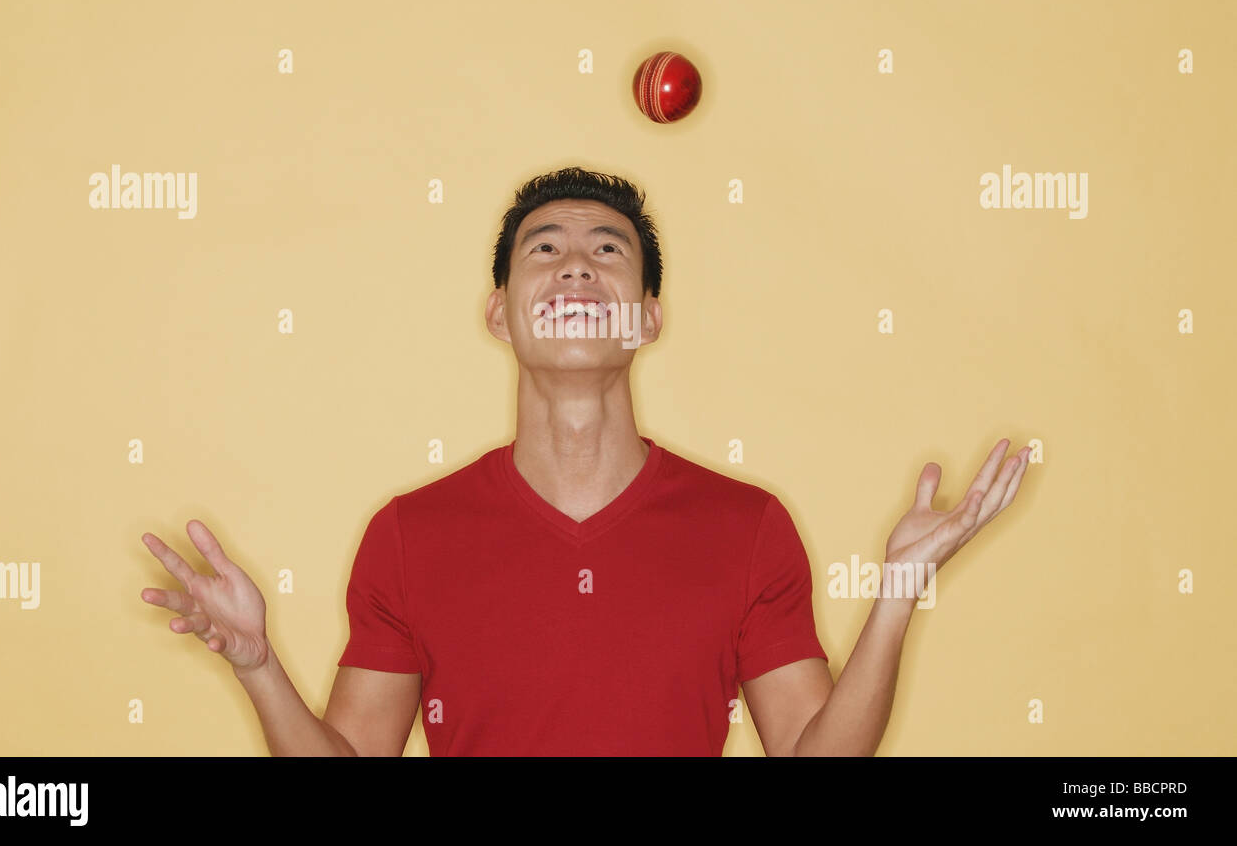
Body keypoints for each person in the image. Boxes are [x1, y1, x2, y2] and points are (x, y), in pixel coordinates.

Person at [140, 166, 1031, 756]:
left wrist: (897, 596)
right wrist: (257, 664)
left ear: (645, 316)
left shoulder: (747, 528)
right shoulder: (409, 535)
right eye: (545, 251)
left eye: (608, 252)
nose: (575, 269)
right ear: (501, 313)